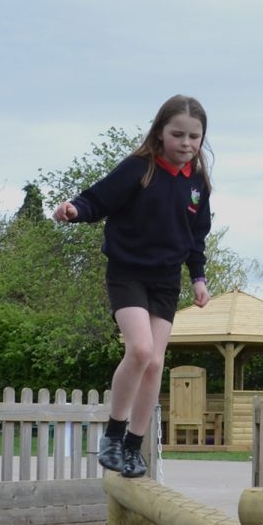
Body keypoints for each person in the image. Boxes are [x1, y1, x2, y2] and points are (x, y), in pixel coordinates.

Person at [52, 95, 213, 478]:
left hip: (165, 281)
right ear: (160, 132)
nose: (186, 143)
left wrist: (199, 277)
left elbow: (196, 237)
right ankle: (113, 433)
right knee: (140, 350)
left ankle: (132, 446)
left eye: (194, 136)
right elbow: (97, 199)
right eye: (178, 134)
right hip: (127, 273)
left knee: (156, 361)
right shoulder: (139, 169)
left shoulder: (197, 184)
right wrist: (74, 210)